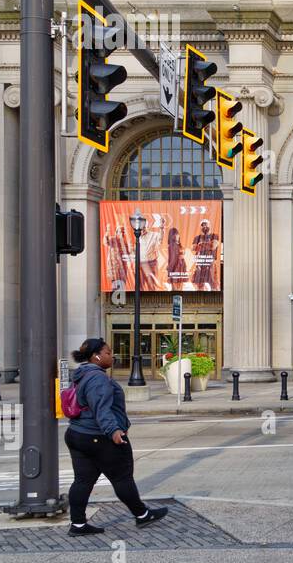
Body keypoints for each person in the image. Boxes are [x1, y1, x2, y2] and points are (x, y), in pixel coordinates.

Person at [64, 338, 167, 536]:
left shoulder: (81, 375)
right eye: (108, 352)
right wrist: (113, 431)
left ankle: (78, 525)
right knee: (122, 477)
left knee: (82, 481)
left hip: (78, 433)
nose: (112, 356)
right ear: (97, 356)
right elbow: (100, 408)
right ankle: (142, 514)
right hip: (98, 436)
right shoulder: (98, 378)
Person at [190, 218, 220, 291]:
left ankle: (215, 299)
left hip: (210, 262)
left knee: (213, 282)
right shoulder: (197, 238)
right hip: (200, 262)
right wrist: (207, 245)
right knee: (199, 283)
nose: (204, 226)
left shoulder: (215, 236)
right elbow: (193, 248)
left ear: (209, 225)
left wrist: (200, 245)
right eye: (202, 225)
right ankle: (200, 299)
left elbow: (213, 246)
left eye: (206, 224)